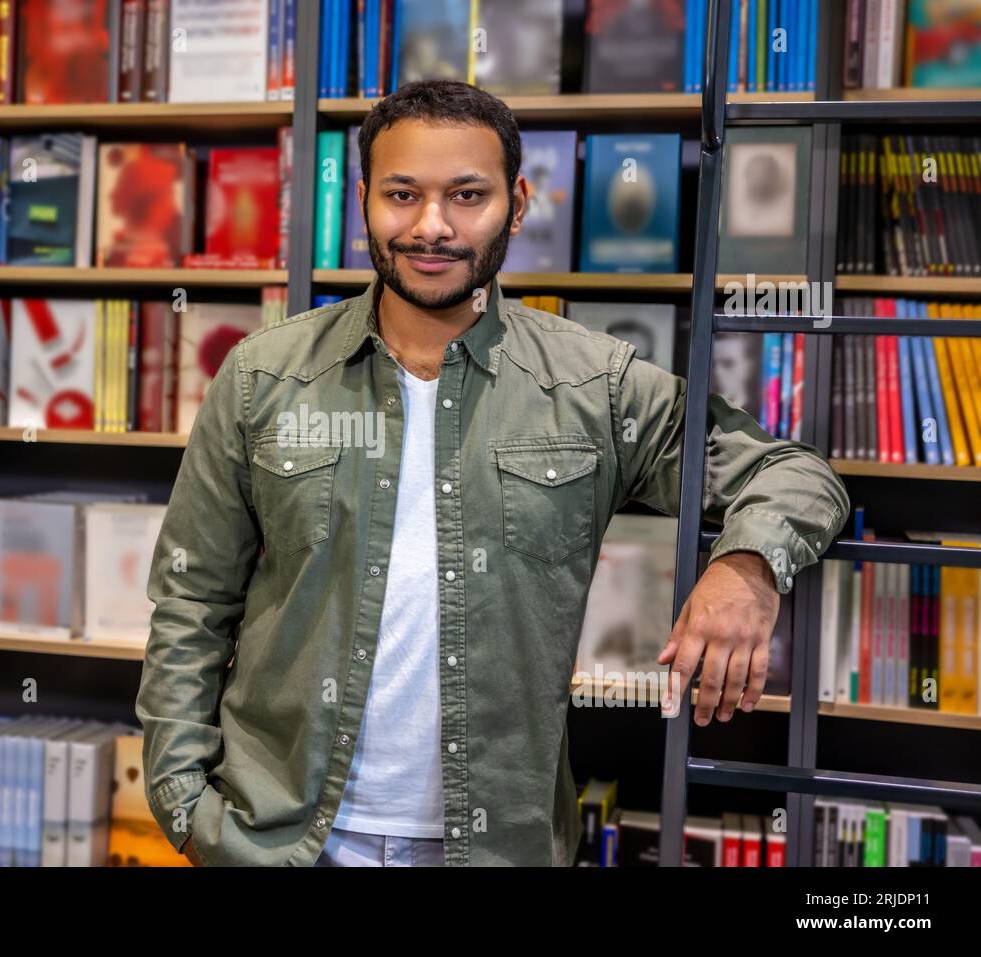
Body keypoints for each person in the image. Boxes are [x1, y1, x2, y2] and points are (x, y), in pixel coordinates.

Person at [135, 79, 850, 867]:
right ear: (364, 198)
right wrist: (180, 798)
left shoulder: (593, 385)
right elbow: (192, 596)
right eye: (402, 194)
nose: (431, 226)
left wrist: (746, 568)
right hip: (274, 838)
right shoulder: (261, 376)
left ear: (516, 204)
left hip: (492, 848)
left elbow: (792, 472)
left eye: (466, 195)